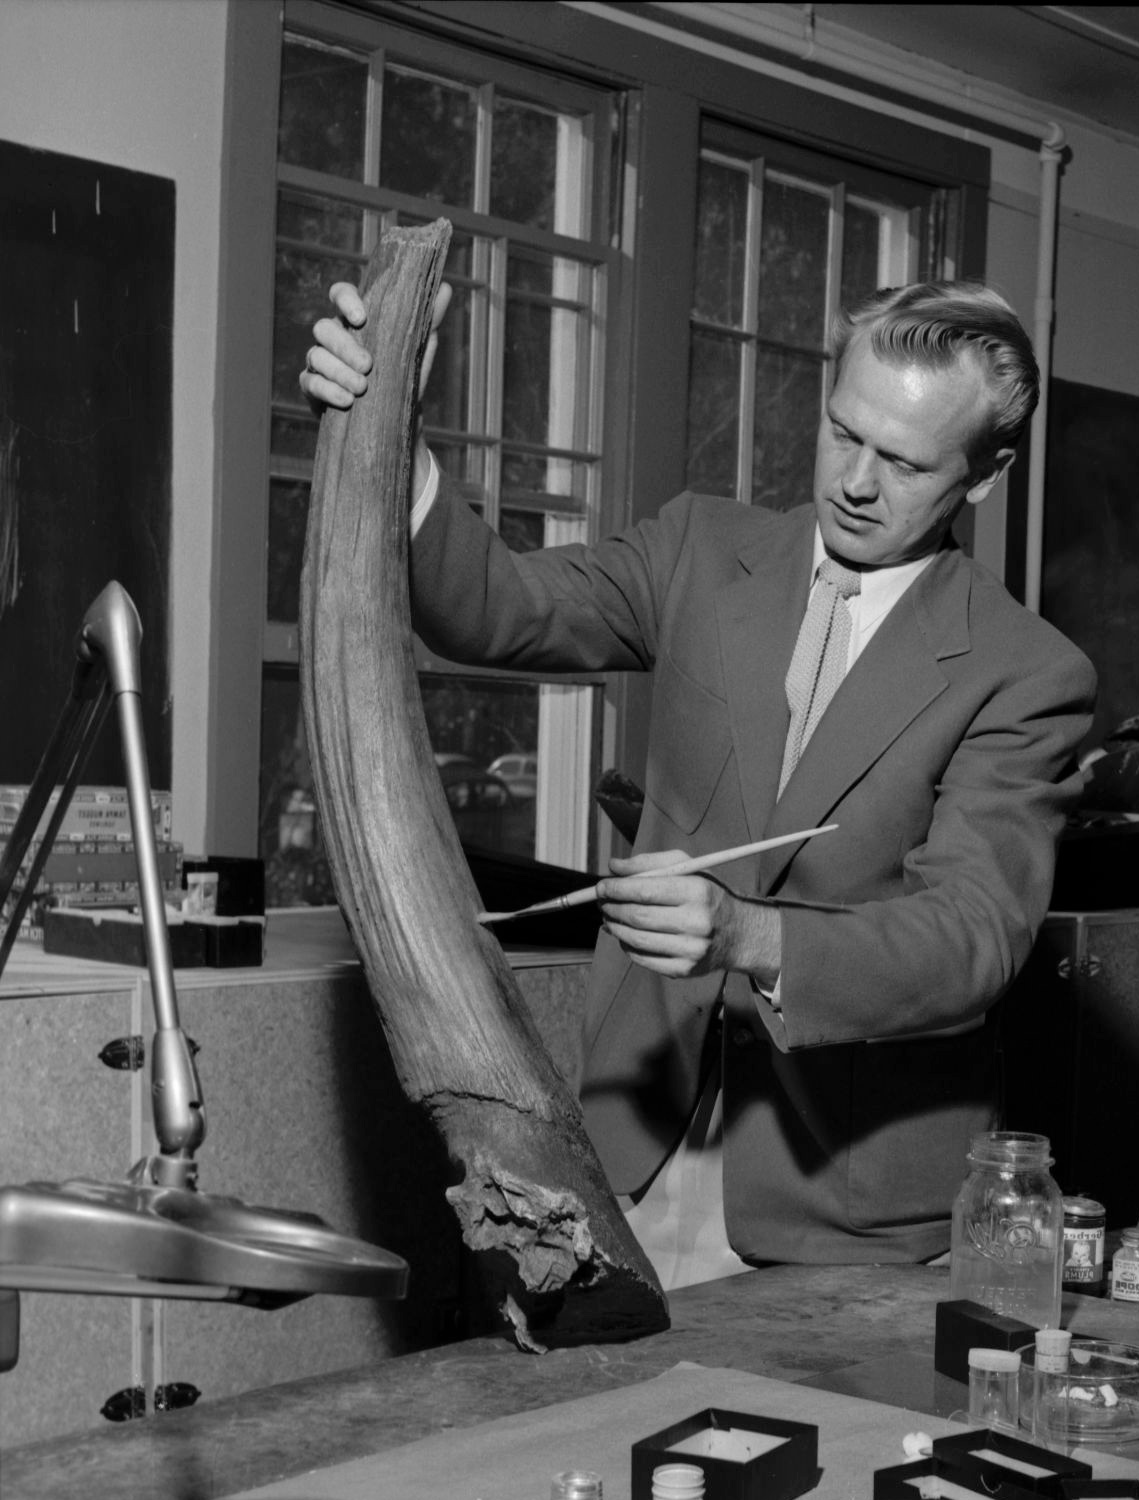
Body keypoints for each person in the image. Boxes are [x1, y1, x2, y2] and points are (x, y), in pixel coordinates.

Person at [302, 277, 1096, 1281]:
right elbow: (497, 608)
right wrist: (392, 435)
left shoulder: (1027, 672)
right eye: (842, 433)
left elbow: (974, 936)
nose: (855, 481)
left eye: (902, 462)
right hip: (634, 1139)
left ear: (986, 475)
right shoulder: (699, 551)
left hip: (844, 1201)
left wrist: (751, 937)